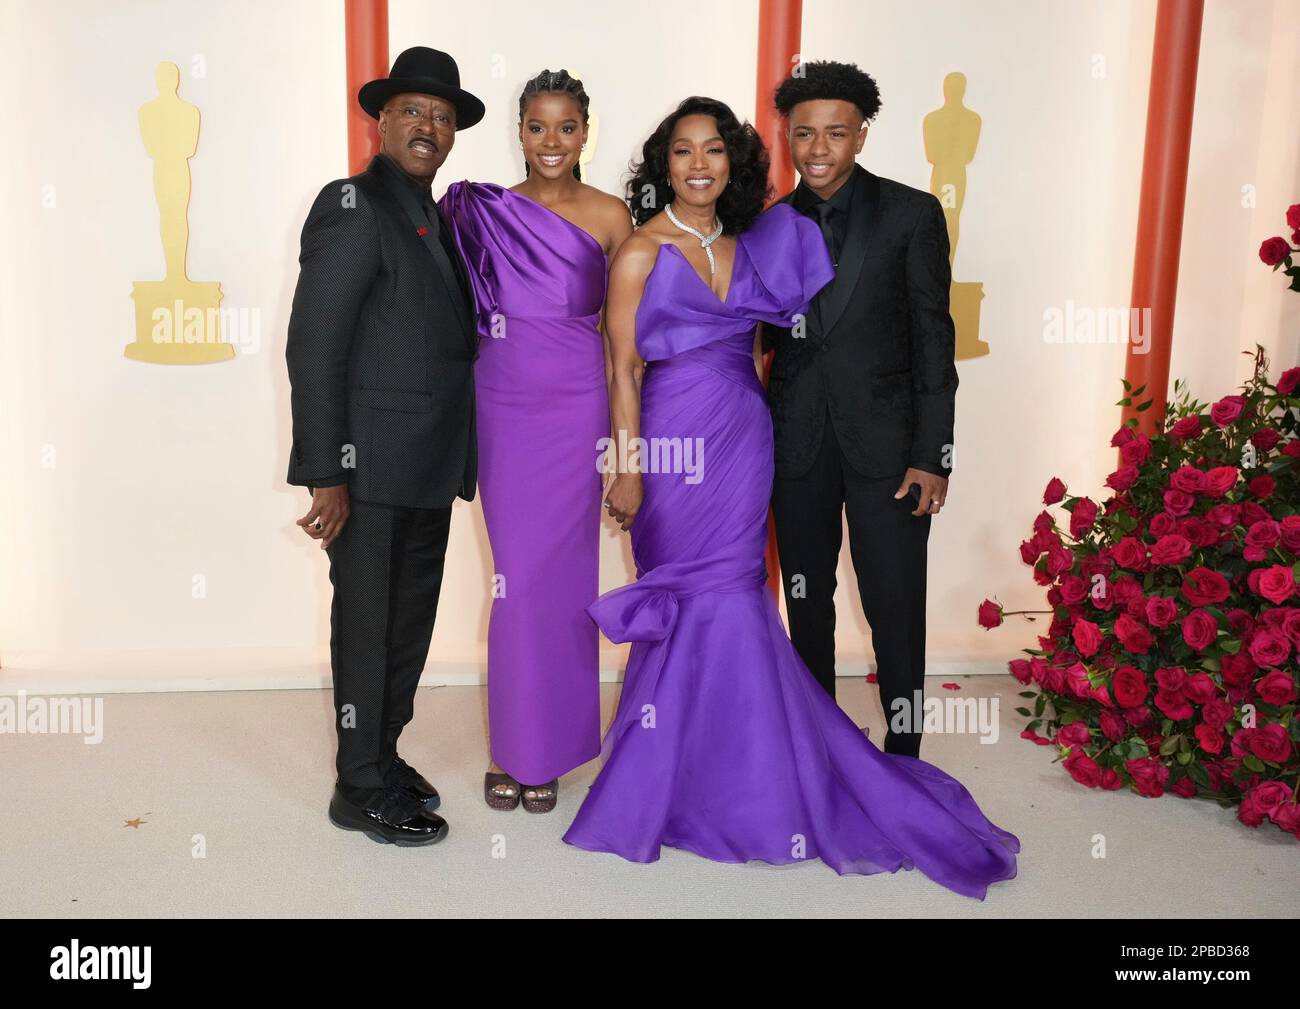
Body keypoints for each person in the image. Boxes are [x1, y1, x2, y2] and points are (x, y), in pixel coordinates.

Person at [561, 97, 1018, 899]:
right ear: (663, 164)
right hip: (671, 440)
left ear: (733, 163)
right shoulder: (638, 251)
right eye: (681, 151)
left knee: (740, 595)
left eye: (713, 150)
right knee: (685, 595)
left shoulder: (757, 244)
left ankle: (752, 770)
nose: (697, 164)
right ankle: (676, 772)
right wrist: (626, 463)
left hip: (745, 439)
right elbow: (621, 368)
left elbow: (792, 345)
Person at [285, 47, 483, 846]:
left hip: (427, 464)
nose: (428, 125)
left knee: (407, 623)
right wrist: (327, 472)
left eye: (441, 115)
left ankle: (383, 751)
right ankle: (358, 785)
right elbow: (315, 346)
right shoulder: (353, 204)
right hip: (367, 467)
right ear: (382, 122)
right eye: (412, 111)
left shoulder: (430, 214)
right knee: (368, 627)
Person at [442, 69, 632, 813]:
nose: (551, 140)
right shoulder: (481, 211)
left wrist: (627, 447)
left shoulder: (612, 216)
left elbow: (625, 343)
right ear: (519, 131)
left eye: (566, 126)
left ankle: (548, 750)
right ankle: (513, 748)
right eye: (537, 126)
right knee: (515, 581)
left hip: (577, 409)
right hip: (503, 406)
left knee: (563, 581)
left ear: (586, 132)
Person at [765, 61, 958, 757]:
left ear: (862, 136)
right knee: (805, 602)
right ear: (789, 136)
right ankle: (818, 743)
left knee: (895, 604)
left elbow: (935, 341)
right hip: (796, 444)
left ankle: (904, 751)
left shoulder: (911, 213)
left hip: (891, 450)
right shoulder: (768, 226)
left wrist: (932, 455)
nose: (818, 149)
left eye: (836, 133)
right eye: (804, 133)